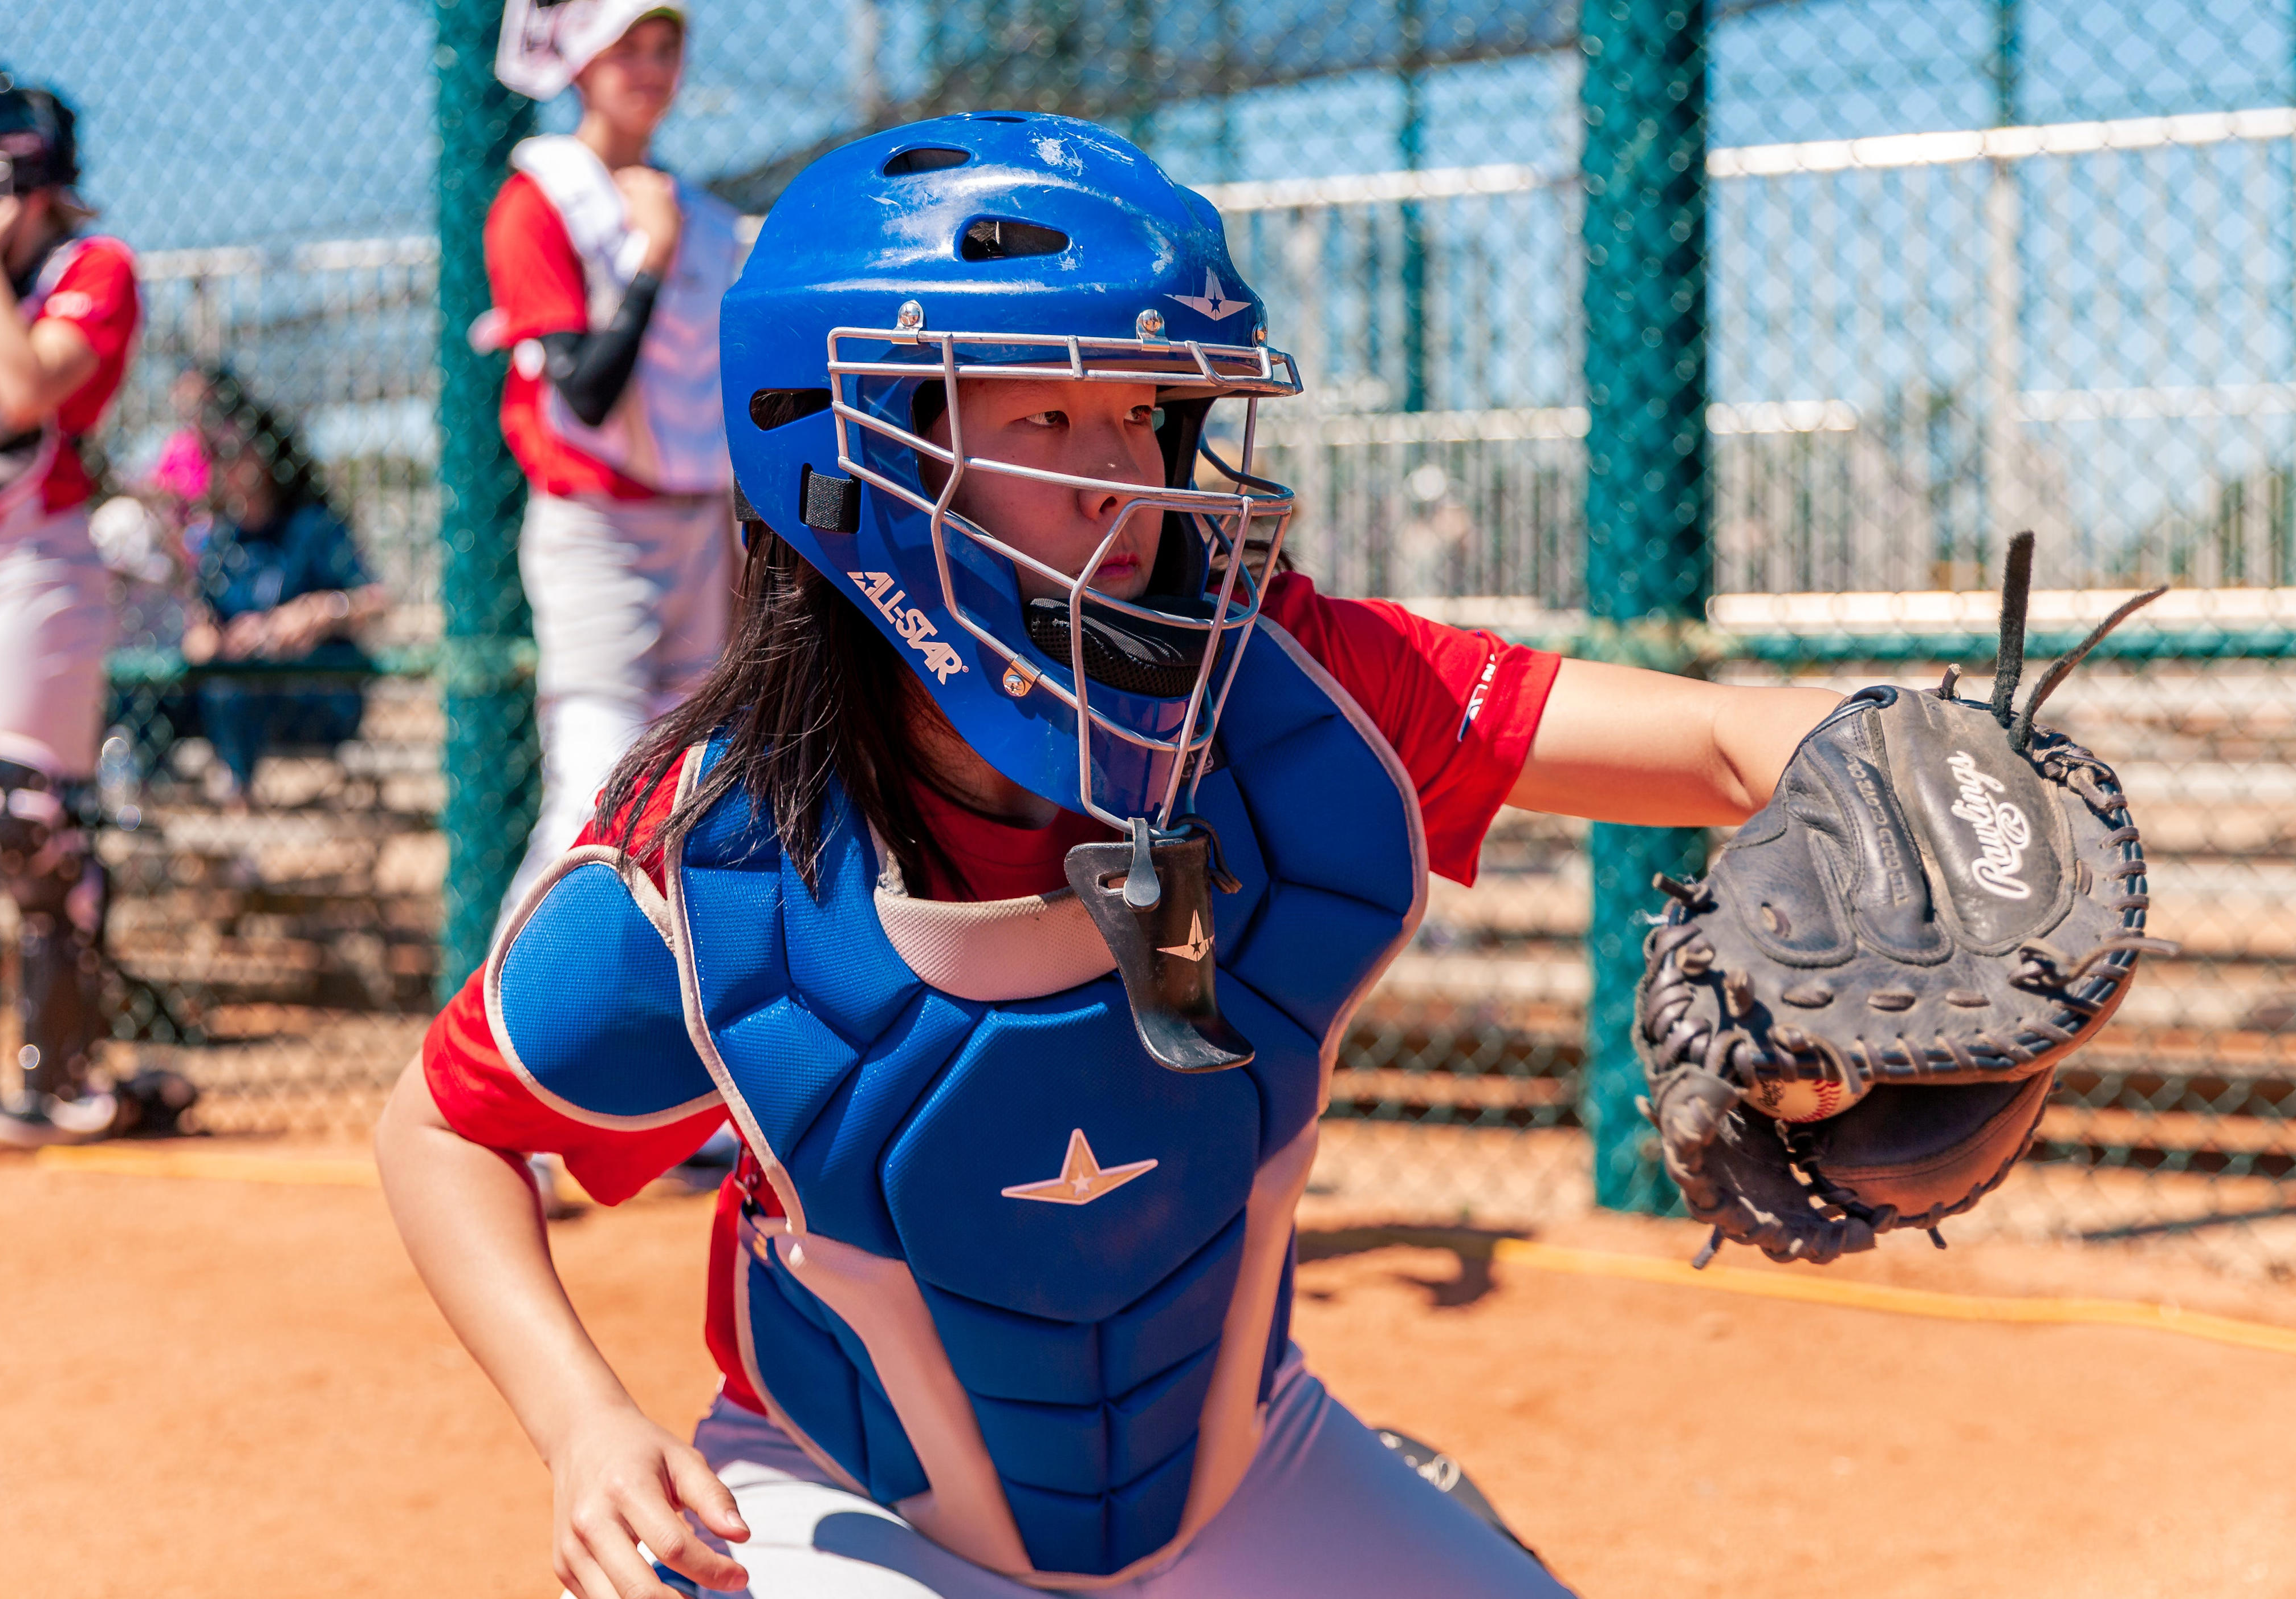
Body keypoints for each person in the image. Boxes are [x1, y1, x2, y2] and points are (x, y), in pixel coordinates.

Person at [379, 115, 1842, 1598]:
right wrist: (581, 1421)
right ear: (847, 458)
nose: (1124, 480)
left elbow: (1727, 746)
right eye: (1044, 420)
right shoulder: (719, 857)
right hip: (846, 1509)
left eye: (1143, 413)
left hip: (1242, 1473)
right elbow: (444, 1129)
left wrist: (1935, 797)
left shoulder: (1291, 696)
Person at [479, 0, 742, 922]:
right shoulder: (541, 198)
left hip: (700, 531)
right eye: (627, 47)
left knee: (696, 802)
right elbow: (585, 395)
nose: (652, 68)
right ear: (582, 59)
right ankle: (501, 1003)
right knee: (593, 803)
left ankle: (661, 1008)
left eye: (666, 47)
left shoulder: (704, 214)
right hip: (598, 532)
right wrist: (650, 257)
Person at [0, 67, 143, 1146]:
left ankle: (58, 1074)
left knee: (22, 818)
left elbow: (26, 388)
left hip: (38, 557)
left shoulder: (96, 269)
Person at [168, 374, 386, 803]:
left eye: (233, 451)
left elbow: (376, 600)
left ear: (266, 457)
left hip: (315, 692)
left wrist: (317, 612)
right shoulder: (222, 540)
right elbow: (205, 617)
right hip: (237, 690)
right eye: (214, 454)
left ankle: (237, 798)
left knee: (234, 685)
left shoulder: (313, 526)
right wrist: (206, 634)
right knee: (172, 689)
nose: (223, 464)